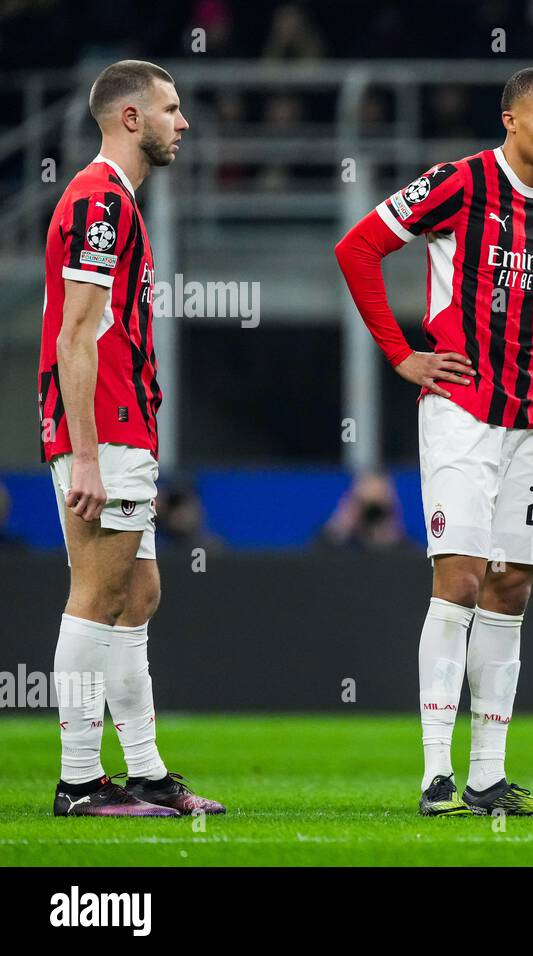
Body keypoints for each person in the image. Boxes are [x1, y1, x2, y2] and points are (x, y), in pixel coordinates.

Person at [335, 67, 533, 817]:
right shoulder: (458, 182)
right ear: (510, 119)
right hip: (463, 411)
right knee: (462, 579)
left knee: (513, 586)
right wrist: (400, 353)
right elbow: (358, 248)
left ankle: (488, 778)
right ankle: (435, 776)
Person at [38, 60, 224, 818]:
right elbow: (74, 337)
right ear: (129, 119)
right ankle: (80, 781)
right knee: (96, 593)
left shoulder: (116, 202)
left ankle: (144, 772)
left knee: (138, 591)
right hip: (102, 430)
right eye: (171, 109)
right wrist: (85, 453)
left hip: (123, 429)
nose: (183, 123)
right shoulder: (100, 203)